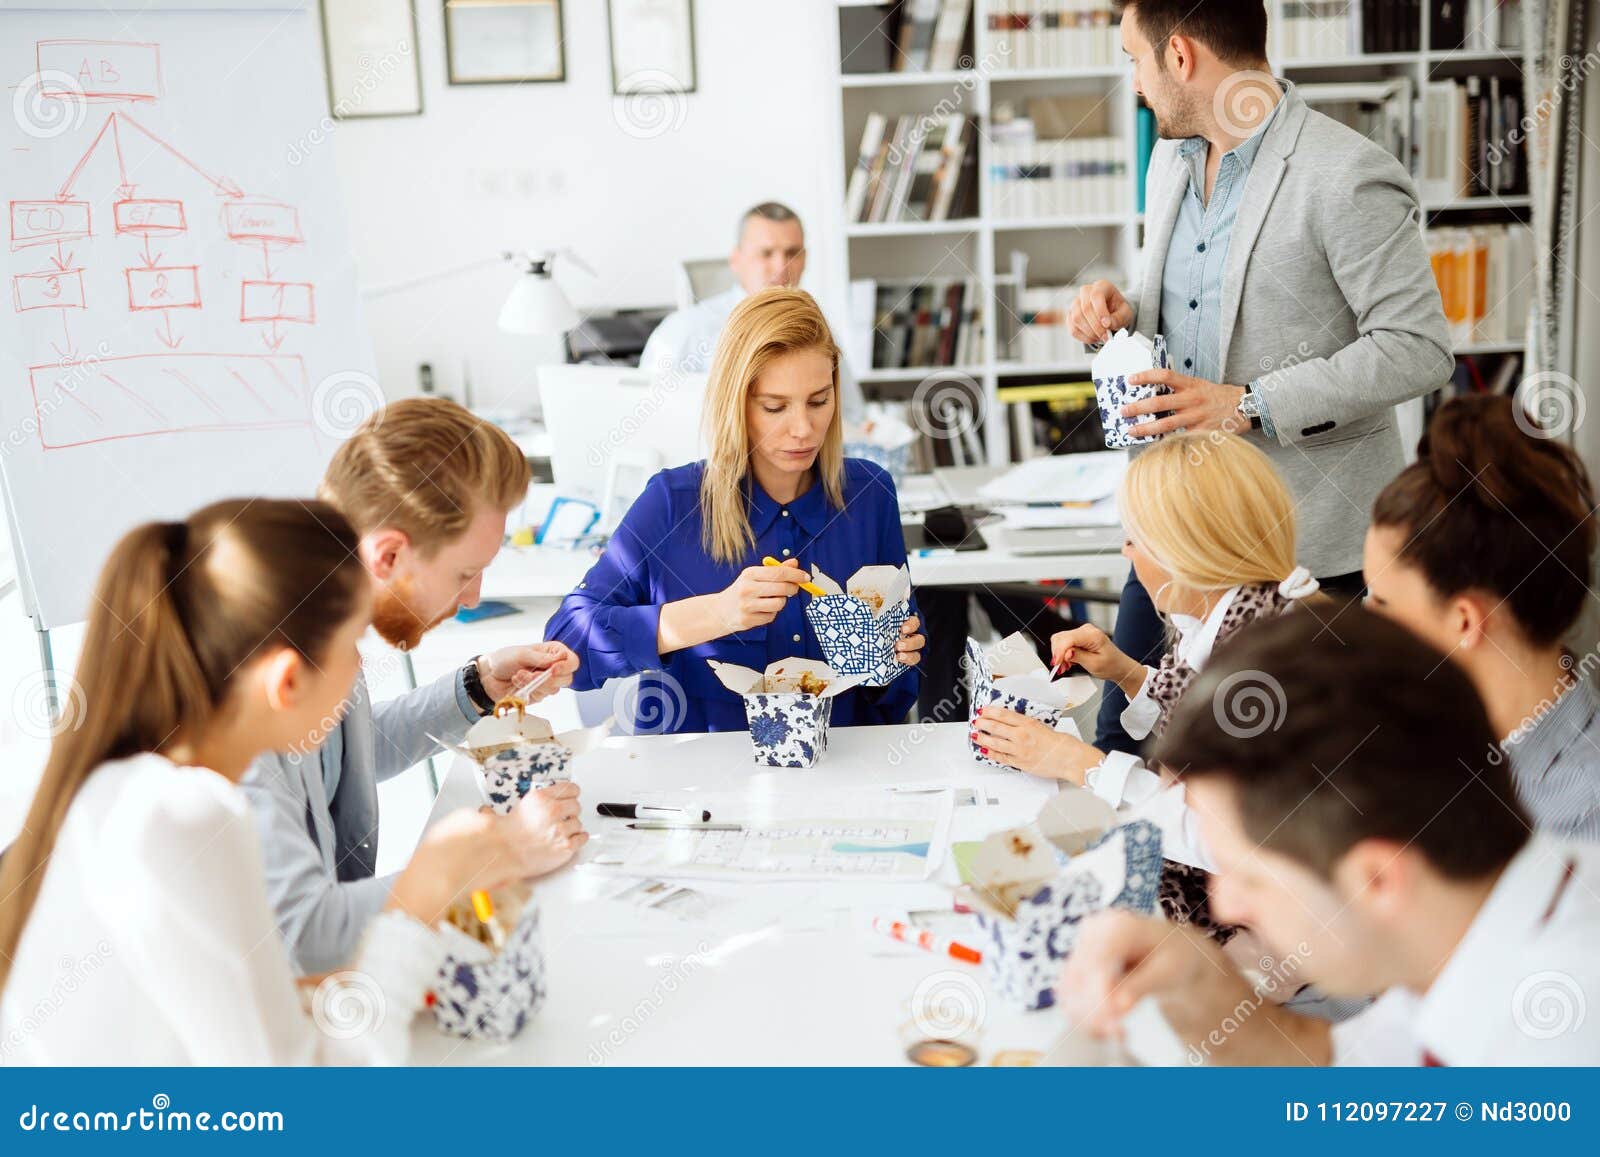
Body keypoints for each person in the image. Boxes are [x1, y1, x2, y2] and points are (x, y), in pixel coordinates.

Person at [0, 501, 568, 1063]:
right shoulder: (188, 819)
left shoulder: (138, 787)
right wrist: (423, 893)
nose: (360, 669)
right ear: (288, 680)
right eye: (351, 647)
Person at [1071, 0, 1453, 757]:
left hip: (1303, 548)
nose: (1136, 85)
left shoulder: (1343, 172)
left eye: (1135, 61)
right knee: (1127, 741)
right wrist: (1123, 313)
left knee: (1293, 780)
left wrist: (1249, 404)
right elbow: (1191, 310)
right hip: (1177, 533)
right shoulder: (1168, 162)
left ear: (1179, 57)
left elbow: (1417, 347)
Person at [1060, 609, 1600, 1066]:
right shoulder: (1453, 937)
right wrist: (1203, 989)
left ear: (1379, 878)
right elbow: (1345, 1063)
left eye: (1251, 876)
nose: (1224, 904)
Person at [245, 398, 587, 975]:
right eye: (463, 573)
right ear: (390, 555)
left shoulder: (319, 624)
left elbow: (349, 758)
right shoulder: (258, 677)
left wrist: (479, 685)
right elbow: (302, 932)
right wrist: (492, 854)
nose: (474, 597)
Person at [972, 431, 1326, 937]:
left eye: (1134, 538)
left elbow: (1223, 835)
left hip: (1261, 936)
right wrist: (1126, 672)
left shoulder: (1261, 663)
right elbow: (1205, 717)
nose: (1126, 550)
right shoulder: (1237, 615)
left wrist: (1074, 762)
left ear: (1182, 552)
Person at [547, 287, 925, 732]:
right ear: (735, 404)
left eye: (819, 401)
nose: (803, 428)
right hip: (700, 788)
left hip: (839, 771)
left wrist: (898, 656)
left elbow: (895, 695)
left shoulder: (870, 494)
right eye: (775, 406)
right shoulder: (674, 502)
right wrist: (718, 614)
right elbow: (566, 646)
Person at [1365, 394, 1600, 840]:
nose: (1362, 619)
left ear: (1465, 622)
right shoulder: (1435, 741)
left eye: (1381, 602)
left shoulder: (1585, 820)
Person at [638, 200, 866, 424]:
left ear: (805, 259)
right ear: (736, 260)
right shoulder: (685, 330)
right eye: (766, 253)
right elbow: (649, 418)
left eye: (792, 253)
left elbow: (852, 417)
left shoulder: (819, 330)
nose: (781, 266)